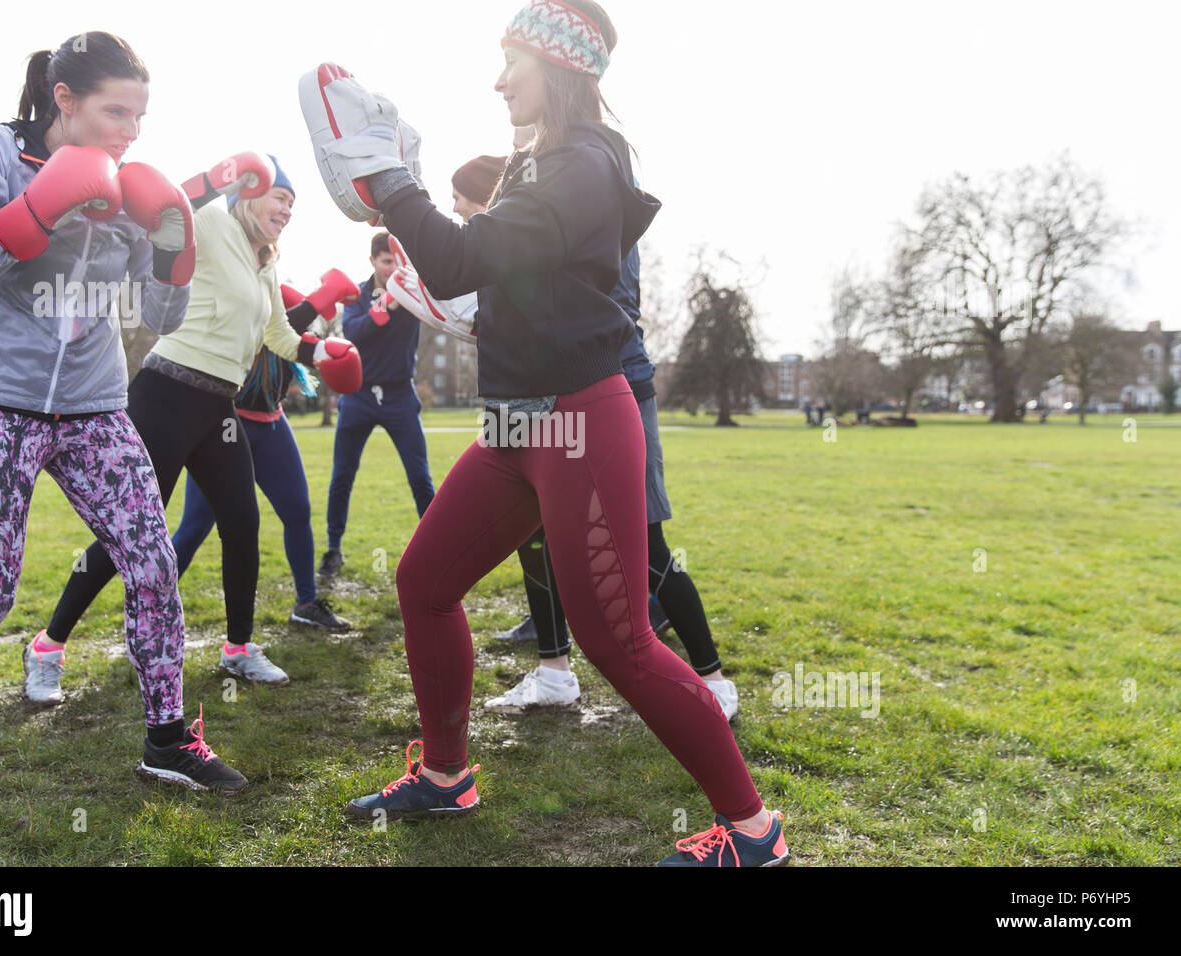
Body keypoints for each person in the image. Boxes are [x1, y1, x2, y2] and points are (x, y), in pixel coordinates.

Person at [304, 0, 789, 866]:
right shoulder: (538, 163)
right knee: (423, 583)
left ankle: (755, 832)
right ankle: (448, 777)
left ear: (558, 67)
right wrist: (452, 294)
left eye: (510, 65)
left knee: (618, 642)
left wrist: (388, 182)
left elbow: (459, 255)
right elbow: (498, 280)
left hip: (577, 420)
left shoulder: (588, 162)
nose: (496, 82)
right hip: (516, 423)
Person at [0, 32, 248, 815]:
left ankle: (166, 739)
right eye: (115, 110)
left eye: (140, 115)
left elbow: (159, 315)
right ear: (64, 100)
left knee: (152, 563)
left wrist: (171, 248)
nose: (130, 129)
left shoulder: (131, 188)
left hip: (93, 404)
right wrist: (37, 210)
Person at [29, 152, 362, 696]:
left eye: (292, 204)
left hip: (218, 407)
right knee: (128, 533)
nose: (287, 210)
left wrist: (322, 347)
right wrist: (218, 178)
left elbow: (277, 337)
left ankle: (237, 649)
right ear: (250, 193)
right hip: (166, 393)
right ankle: (48, 646)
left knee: (242, 523)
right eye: (281, 197)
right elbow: (163, 206)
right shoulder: (211, 223)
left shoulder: (266, 261)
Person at [447, 154, 740, 719]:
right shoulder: (517, 222)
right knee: (529, 535)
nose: (455, 208)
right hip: (519, 397)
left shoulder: (580, 203)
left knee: (646, 544)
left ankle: (714, 678)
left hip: (610, 388)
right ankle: (554, 669)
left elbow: (587, 305)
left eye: (460, 196)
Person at [170, 233, 352, 633]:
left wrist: (327, 324)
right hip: (225, 424)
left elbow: (292, 331)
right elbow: (272, 329)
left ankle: (306, 602)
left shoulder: (280, 299)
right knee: (196, 527)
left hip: (272, 425)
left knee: (297, 513)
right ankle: (152, 606)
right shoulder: (237, 297)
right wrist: (324, 297)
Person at [317, 232, 435, 582]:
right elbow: (352, 331)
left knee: (420, 477)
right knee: (342, 476)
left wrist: (407, 295)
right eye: (387, 261)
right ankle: (333, 549)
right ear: (373, 262)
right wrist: (385, 306)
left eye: (398, 261)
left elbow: (439, 308)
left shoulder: (414, 290)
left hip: (399, 395)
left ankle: (436, 549)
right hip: (359, 395)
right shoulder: (356, 294)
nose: (393, 268)